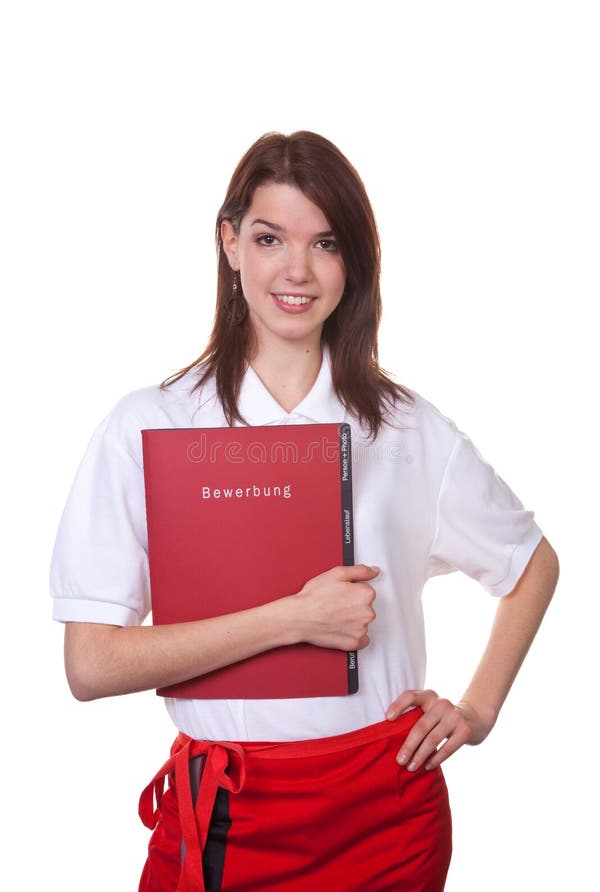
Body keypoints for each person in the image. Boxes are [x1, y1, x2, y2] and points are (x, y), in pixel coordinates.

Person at [50, 131, 559, 892]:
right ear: (229, 244)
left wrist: (478, 710)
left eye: (325, 242)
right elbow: (90, 666)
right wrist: (292, 619)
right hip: (225, 814)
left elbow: (530, 564)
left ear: (353, 260)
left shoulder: (407, 429)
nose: (297, 269)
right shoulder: (147, 427)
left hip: (385, 817)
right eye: (268, 238)